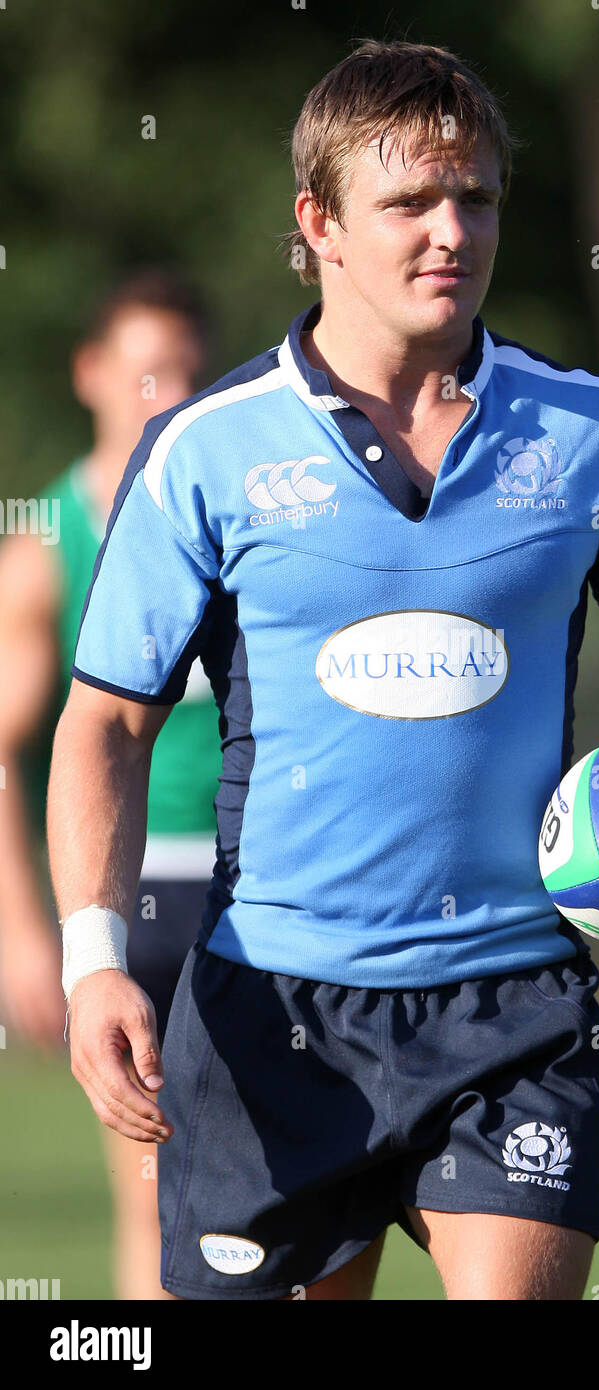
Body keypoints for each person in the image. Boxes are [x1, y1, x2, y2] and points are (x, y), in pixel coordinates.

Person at [47, 41, 599, 1301]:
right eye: (410, 202)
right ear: (321, 225)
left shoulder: (593, 436)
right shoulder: (203, 454)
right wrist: (93, 962)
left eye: (477, 198)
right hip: (272, 1009)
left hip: (514, 1004)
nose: (450, 232)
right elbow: (106, 728)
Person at [0, 269, 221, 1298]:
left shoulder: (242, 503)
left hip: (261, 886)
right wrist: (27, 932)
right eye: (142, 373)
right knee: (156, 1189)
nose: (164, 396)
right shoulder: (49, 545)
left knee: (297, 1193)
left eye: (184, 372)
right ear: (90, 374)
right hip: (136, 893)